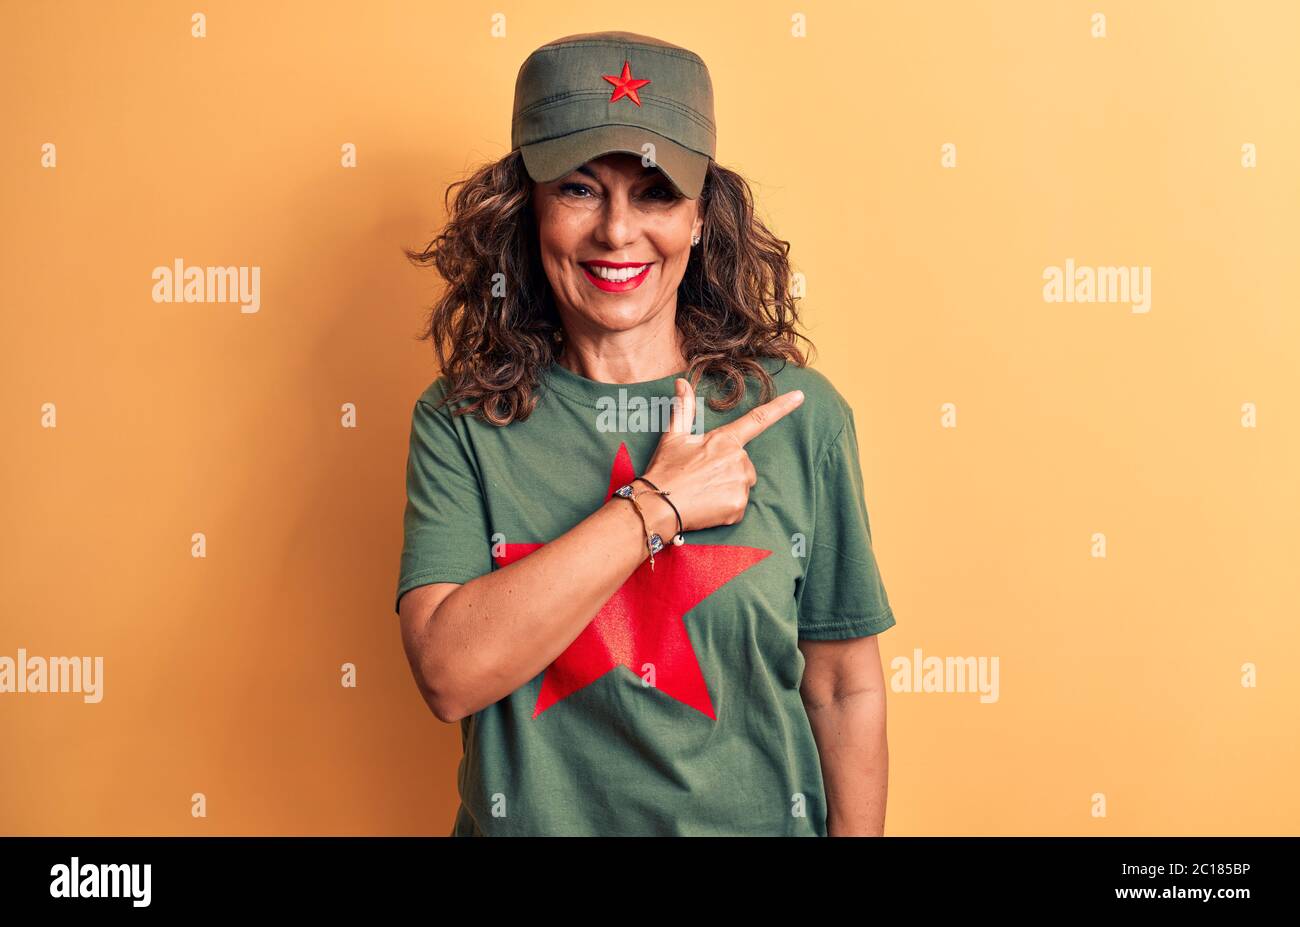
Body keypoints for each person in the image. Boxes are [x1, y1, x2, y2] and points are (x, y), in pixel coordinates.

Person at [395, 30, 896, 836]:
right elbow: (451, 673)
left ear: (702, 218)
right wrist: (654, 506)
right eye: (581, 190)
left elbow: (843, 684)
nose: (618, 233)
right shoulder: (461, 422)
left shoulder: (799, 415)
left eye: (657, 193)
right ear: (527, 210)